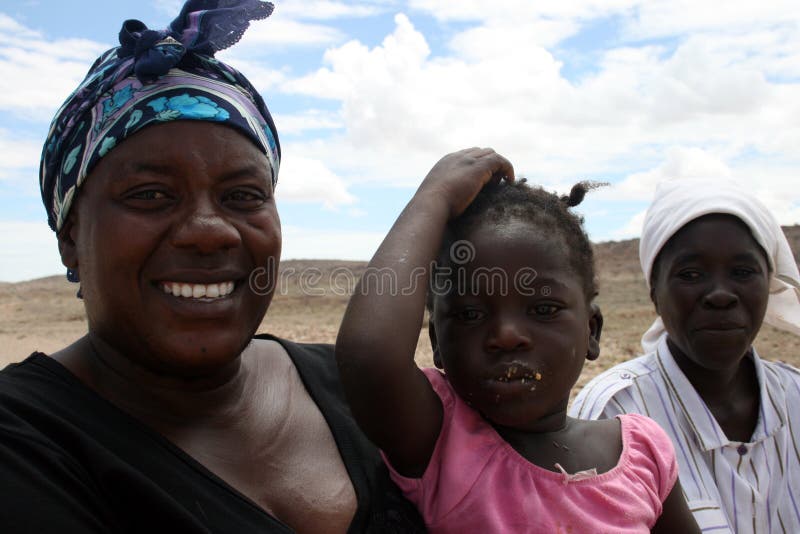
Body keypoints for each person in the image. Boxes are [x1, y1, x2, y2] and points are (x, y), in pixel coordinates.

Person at [0, 1, 424, 532]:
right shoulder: (25, 444)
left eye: (243, 195)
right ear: (70, 238)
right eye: (150, 194)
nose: (210, 231)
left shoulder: (353, 385)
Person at [335, 148, 700, 533]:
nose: (506, 336)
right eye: (470, 314)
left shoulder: (643, 453)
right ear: (438, 342)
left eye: (543, 309)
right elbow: (370, 356)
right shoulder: (441, 441)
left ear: (591, 331)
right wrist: (434, 197)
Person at [570, 178, 800, 533]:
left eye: (742, 272)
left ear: (768, 283)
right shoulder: (612, 413)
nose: (721, 295)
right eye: (691, 274)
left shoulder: (795, 396)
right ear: (654, 292)